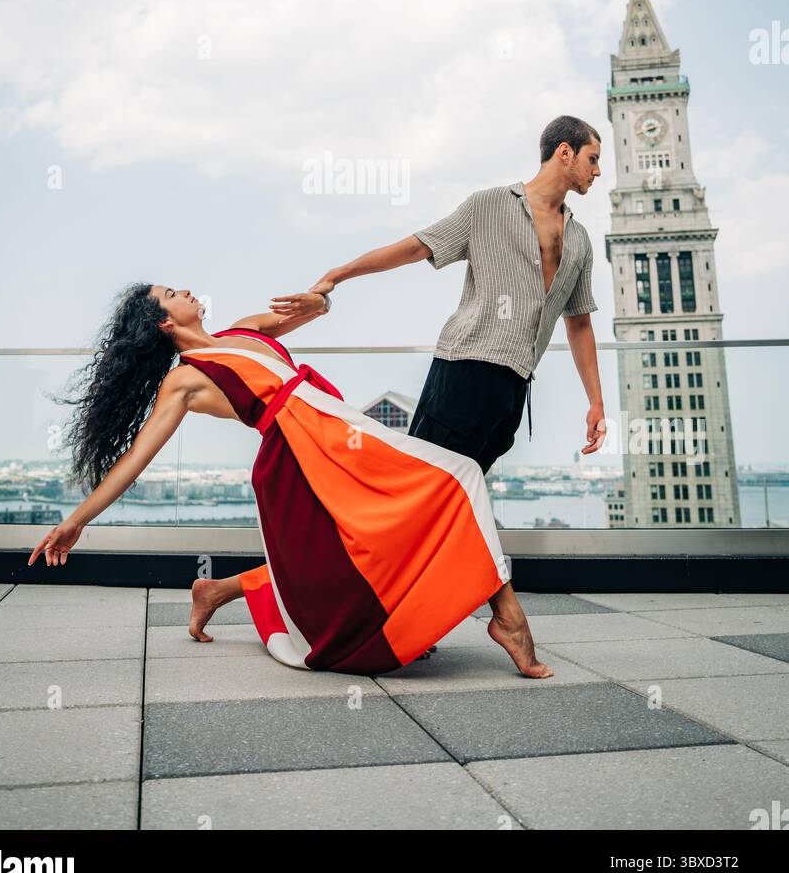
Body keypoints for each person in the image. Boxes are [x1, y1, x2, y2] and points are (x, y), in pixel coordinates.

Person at [28, 283, 553, 679]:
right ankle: (507, 617)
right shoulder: (185, 377)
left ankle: (217, 590)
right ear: (163, 322)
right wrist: (77, 520)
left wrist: (317, 304)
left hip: (335, 428)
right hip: (300, 456)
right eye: (172, 293)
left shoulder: (241, 333)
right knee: (452, 479)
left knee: (397, 520)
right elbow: (136, 459)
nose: (186, 290)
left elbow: (310, 311)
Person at [290, 115, 607, 478]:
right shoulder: (487, 206)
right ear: (565, 152)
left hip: (516, 389)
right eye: (592, 159)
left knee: (460, 494)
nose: (596, 172)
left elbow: (580, 324)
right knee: (420, 486)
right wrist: (339, 274)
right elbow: (415, 247)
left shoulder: (580, 241)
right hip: (463, 373)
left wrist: (595, 402)